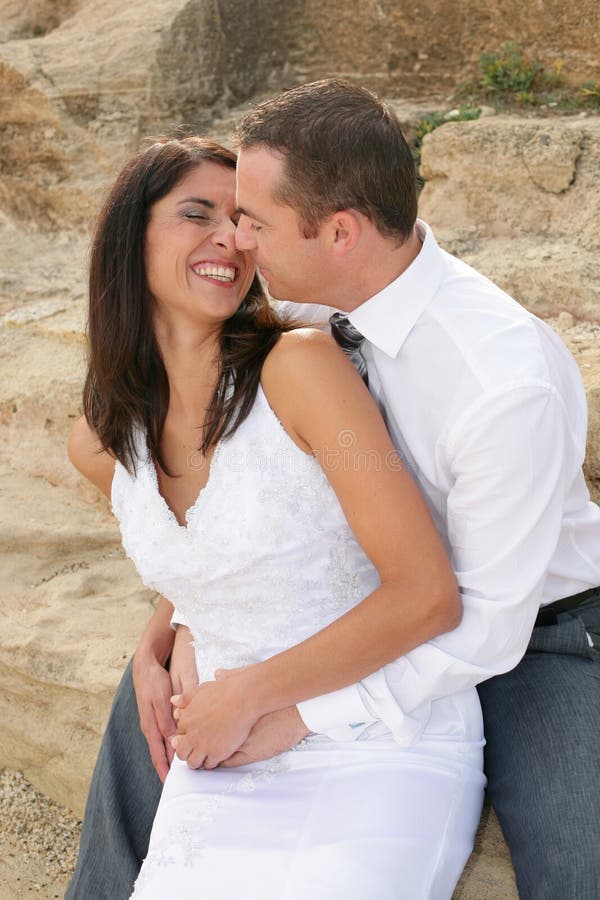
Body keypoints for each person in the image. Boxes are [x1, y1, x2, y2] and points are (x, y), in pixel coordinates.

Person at [65, 81, 600, 900]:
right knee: (146, 715)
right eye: (217, 215)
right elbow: (253, 500)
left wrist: (282, 711)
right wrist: (171, 619)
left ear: (339, 232)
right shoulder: (314, 296)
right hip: (372, 604)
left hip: (533, 632)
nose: (239, 241)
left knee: (578, 866)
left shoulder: (499, 381)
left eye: (253, 220)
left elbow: (473, 623)